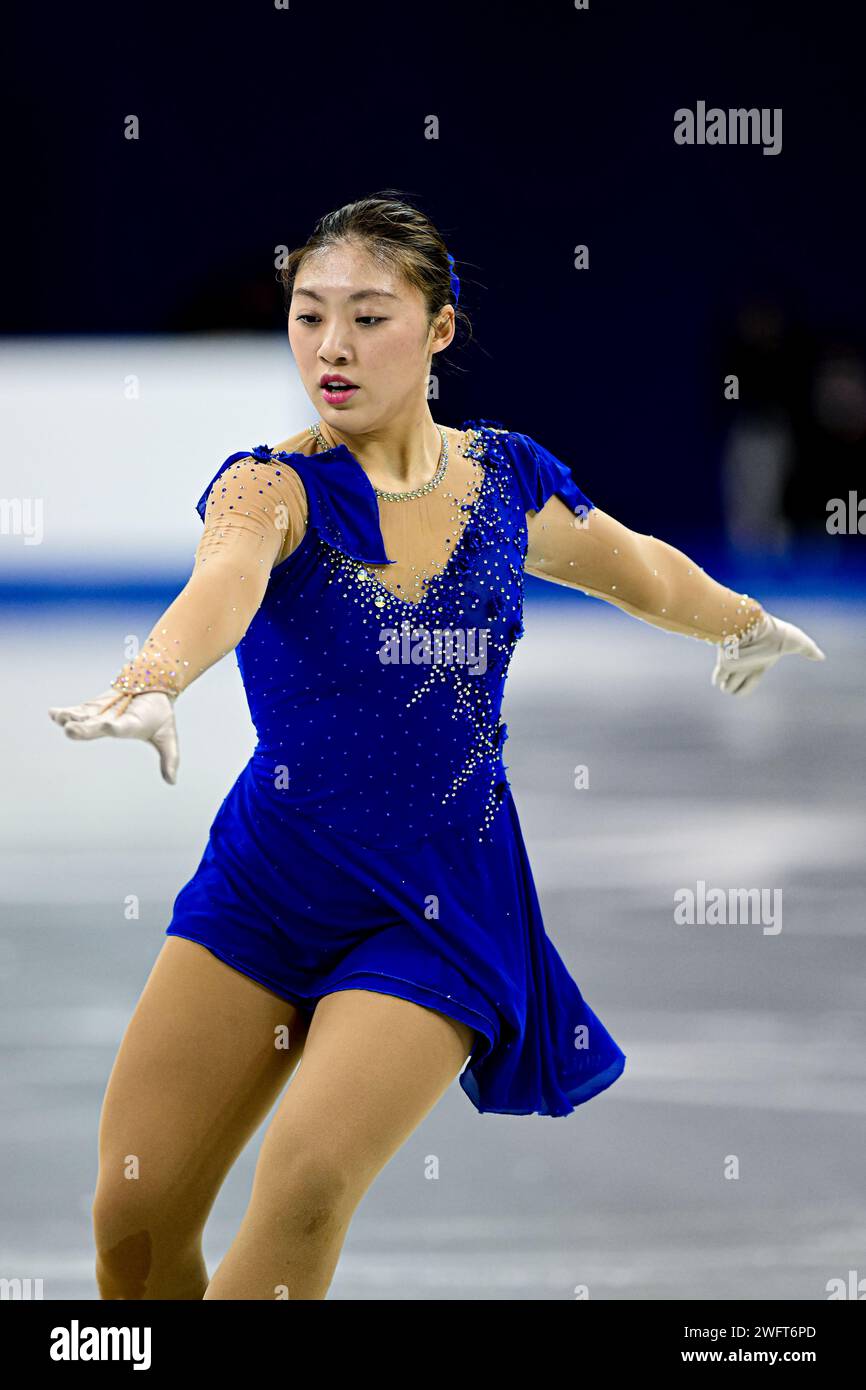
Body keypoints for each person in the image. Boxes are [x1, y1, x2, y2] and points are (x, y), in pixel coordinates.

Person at [48, 195, 825, 1301]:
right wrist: (152, 678)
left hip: (438, 901)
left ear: (439, 328)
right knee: (132, 1214)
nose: (331, 345)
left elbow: (640, 568)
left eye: (368, 316)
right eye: (309, 314)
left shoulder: (503, 484)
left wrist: (737, 620)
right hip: (267, 883)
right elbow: (218, 585)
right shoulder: (270, 487)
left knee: (308, 1178)